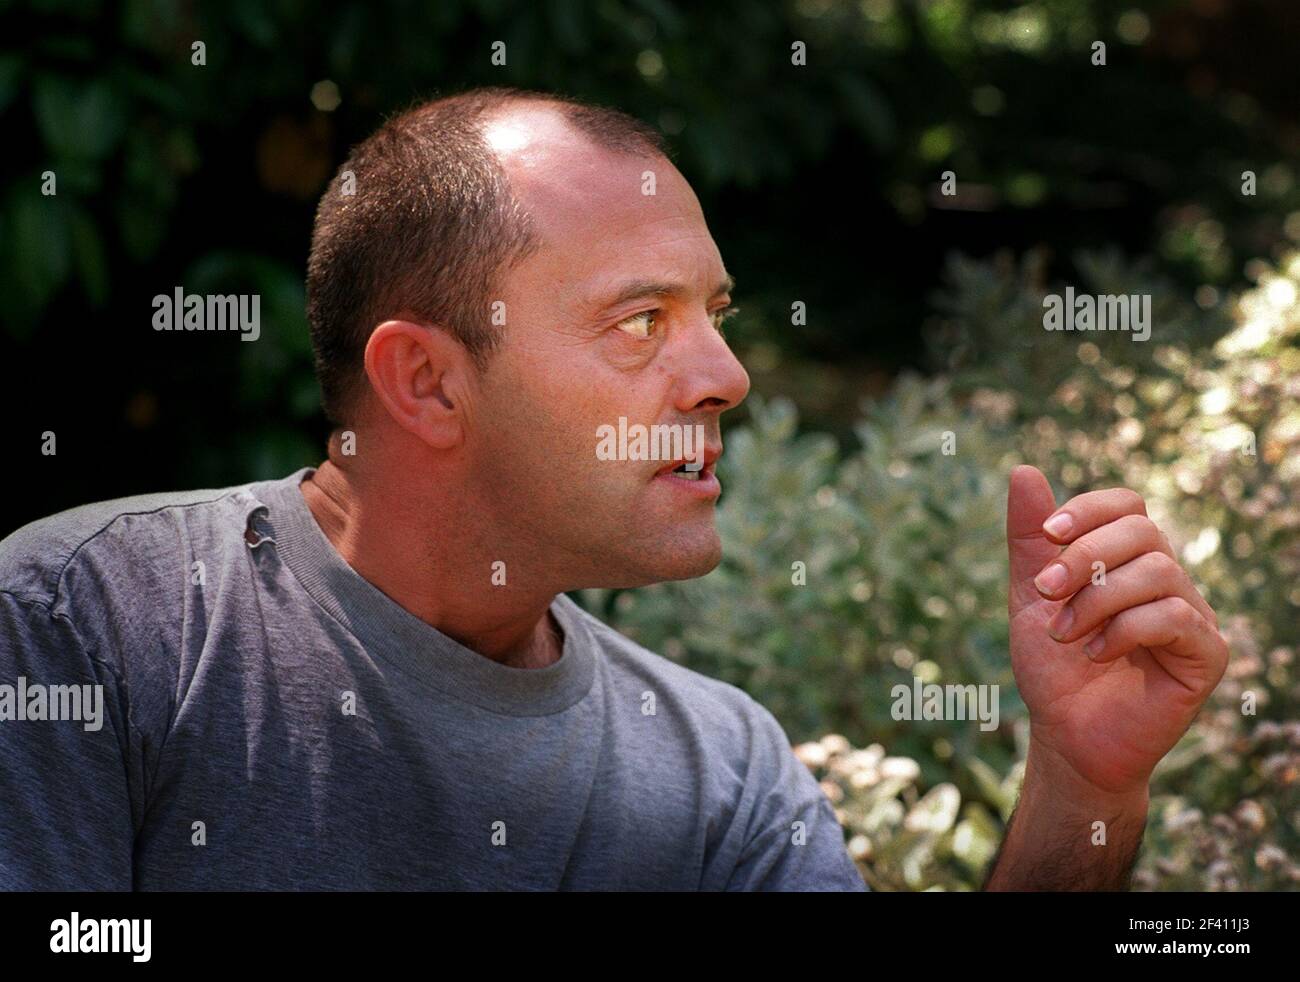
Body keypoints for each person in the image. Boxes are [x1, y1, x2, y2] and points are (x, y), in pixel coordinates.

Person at [0, 87, 1227, 890]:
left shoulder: (717, 768)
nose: (728, 377)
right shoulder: (84, 630)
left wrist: (1085, 786)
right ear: (426, 383)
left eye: (716, 315)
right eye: (641, 322)